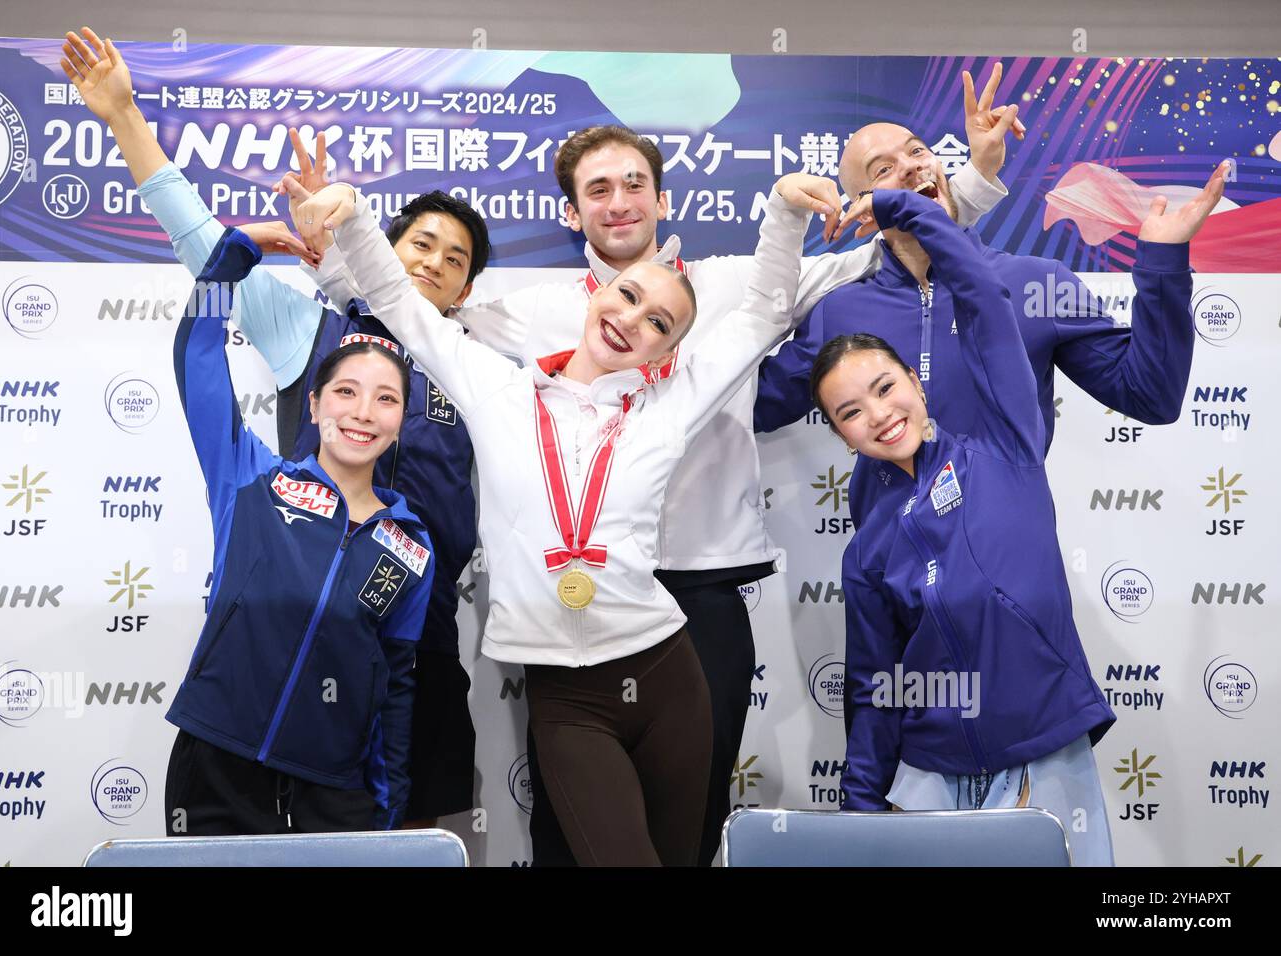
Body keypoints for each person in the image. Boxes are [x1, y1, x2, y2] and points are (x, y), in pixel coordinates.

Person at [296, 76, 1019, 862]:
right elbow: (411, 309)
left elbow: (868, 266)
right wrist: (343, 230)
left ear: (663, 201)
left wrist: (964, 186)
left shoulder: (720, 311)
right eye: (597, 189)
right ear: (572, 212)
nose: (619, 203)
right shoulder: (518, 337)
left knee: (686, 834)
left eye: (635, 184)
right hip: (568, 631)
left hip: (695, 596)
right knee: (568, 835)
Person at [284, 165, 826, 865]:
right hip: (566, 693)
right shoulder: (496, 389)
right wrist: (353, 214)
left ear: (668, 353)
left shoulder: (669, 408)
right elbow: (397, 298)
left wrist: (784, 214)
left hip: (666, 673)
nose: (632, 319)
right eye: (628, 295)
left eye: (658, 322)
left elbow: (762, 317)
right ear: (599, 291)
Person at [61, 26, 481, 829]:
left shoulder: (484, 371)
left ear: (464, 292)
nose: (432, 261)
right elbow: (201, 260)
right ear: (382, 253)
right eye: (418, 243)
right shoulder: (310, 334)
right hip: (282, 645)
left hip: (416, 644)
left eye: (455, 258)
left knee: (413, 839)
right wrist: (125, 121)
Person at [814, 177, 1218, 865]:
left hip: (1038, 753)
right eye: (850, 412)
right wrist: (859, 813)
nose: (877, 414)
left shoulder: (1006, 444)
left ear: (917, 381)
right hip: (929, 774)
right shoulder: (868, 553)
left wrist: (1158, 264)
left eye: (885, 389)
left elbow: (987, 303)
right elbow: (873, 687)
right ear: (837, 434)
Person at [757, 79, 1225, 533]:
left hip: (1011, 560)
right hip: (891, 571)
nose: (912, 167)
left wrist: (1162, 265)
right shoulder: (840, 311)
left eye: (918, 151)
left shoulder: (1038, 283)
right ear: (864, 210)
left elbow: (1150, 396)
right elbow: (758, 407)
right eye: (883, 169)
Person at [164, 219, 436, 834]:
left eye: (386, 399)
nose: (363, 412)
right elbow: (197, 356)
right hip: (218, 763)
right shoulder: (251, 478)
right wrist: (236, 254)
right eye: (345, 391)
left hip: (333, 788)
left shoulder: (410, 543)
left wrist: (388, 808)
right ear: (313, 405)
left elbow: (394, 684)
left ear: (400, 422)